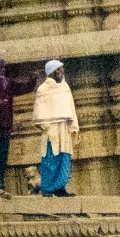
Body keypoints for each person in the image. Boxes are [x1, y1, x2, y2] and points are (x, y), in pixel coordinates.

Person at [33, 60, 79, 197]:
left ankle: (60, 188)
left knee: (64, 157)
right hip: (51, 129)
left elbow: (70, 108)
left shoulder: (65, 87)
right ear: (53, 72)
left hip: (64, 127)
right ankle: (47, 188)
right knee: (50, 158)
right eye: (60, 69)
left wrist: (74, 126)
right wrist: (46, 125)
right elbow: (39, 111)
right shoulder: (43, 89)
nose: (62, 72)